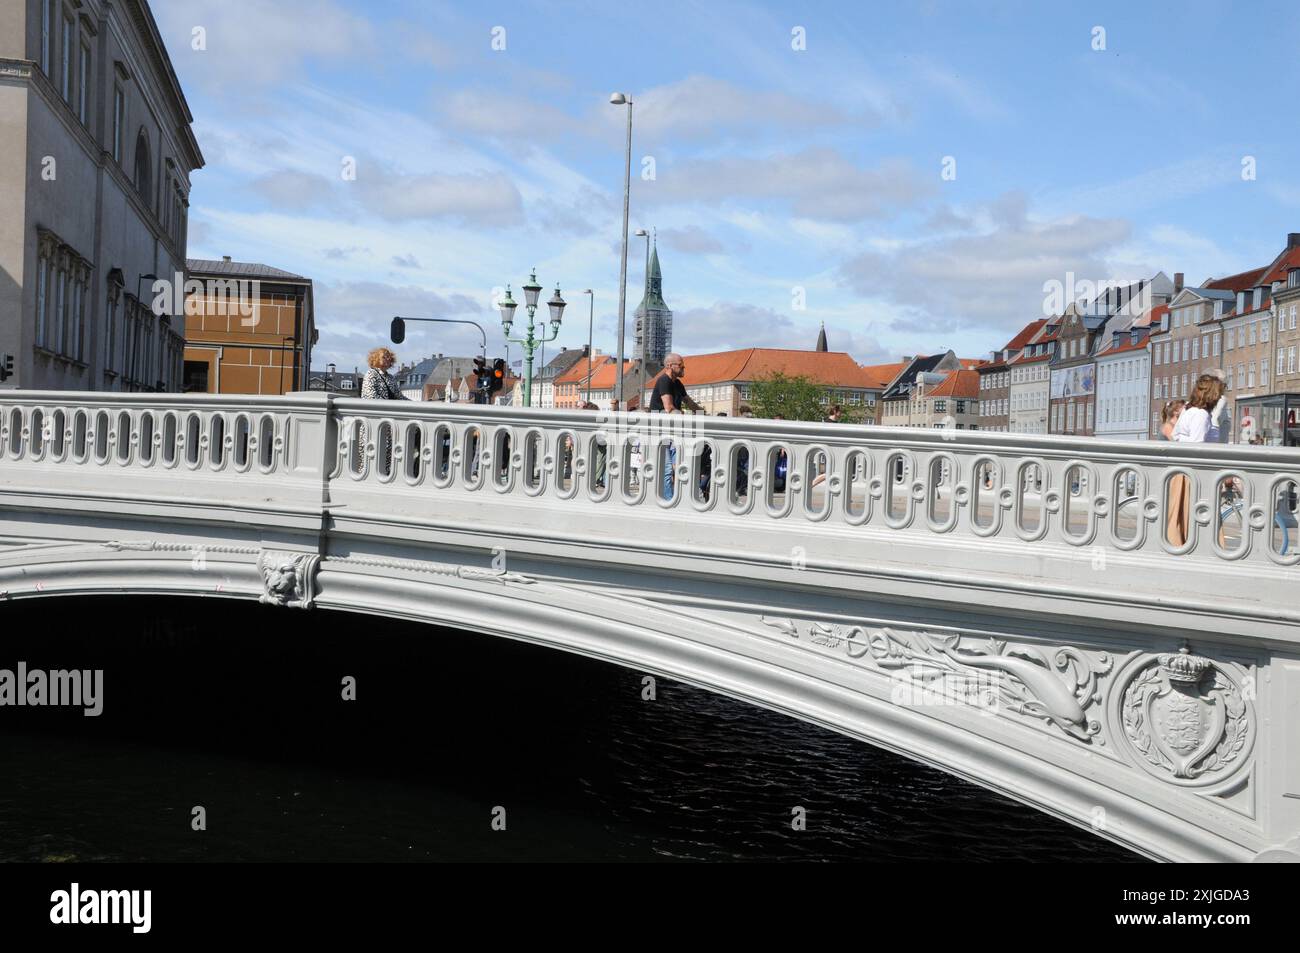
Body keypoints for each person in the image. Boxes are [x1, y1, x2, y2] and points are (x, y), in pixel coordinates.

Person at [1167, 375, 1225, 546]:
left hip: (1182, 472)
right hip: (1195, 475)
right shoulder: (1201, 415)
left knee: (1181, 517)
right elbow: (1197, 448)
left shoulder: (1188, 410)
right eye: (1219, 394)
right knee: (1198, 516)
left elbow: (1177, 435)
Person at [648, 353, 703, 499]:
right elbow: (669, 408)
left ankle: (678, 498)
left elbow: (690, 403)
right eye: (681, 365)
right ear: (670, 366)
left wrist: (703, 415)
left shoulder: (677, 384)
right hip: (659, 431)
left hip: (672, 431)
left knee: (681, 466)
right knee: (666, 469)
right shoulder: (664, 381)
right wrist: (684, 417)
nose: (684, 368)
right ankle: (669, 502)